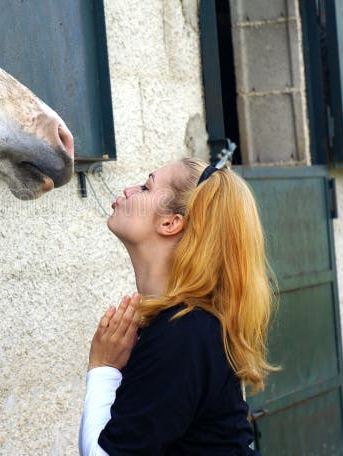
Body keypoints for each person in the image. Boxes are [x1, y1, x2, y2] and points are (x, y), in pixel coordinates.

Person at [79, 157, 276, 455]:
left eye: (146, 187)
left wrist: (103, 368)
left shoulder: (183, 333)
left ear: (170, 223)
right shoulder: (184, 324)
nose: (128, 190)